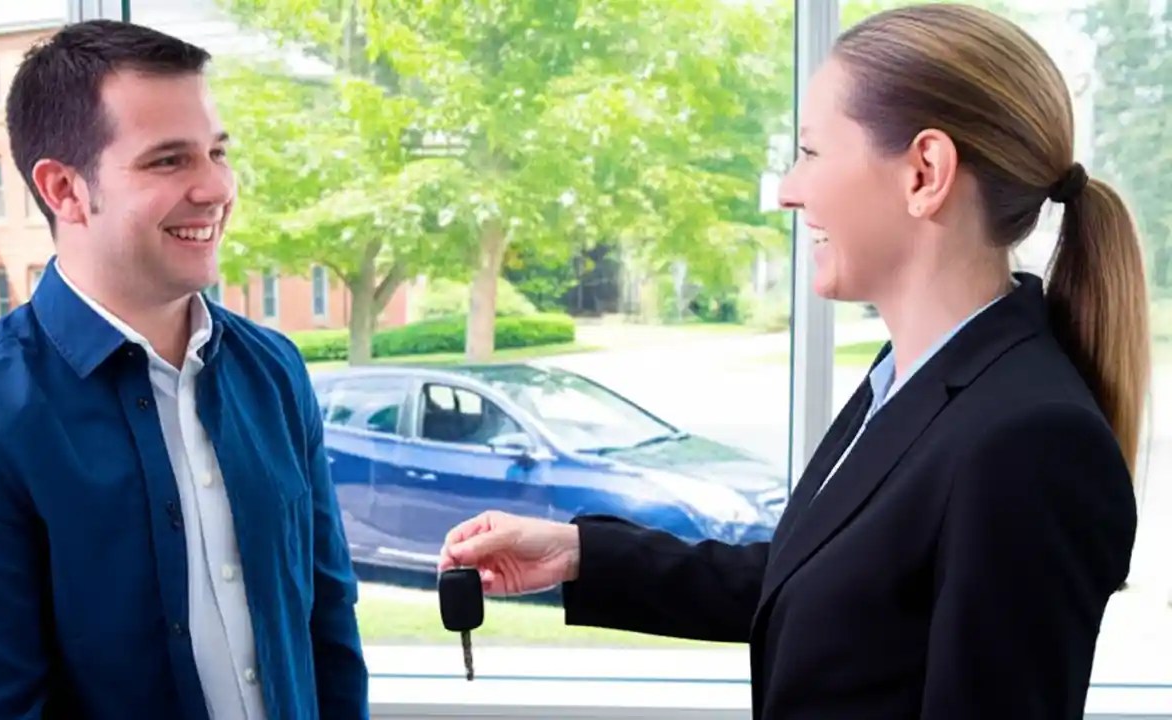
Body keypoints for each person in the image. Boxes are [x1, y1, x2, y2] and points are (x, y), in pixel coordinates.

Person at [439, 4, 1147, 719]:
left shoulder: (1028, 444)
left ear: (925, 172)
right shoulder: (910, 382)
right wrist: (580, 554)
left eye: (810, 152)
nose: (787, 189)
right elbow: (826, 583)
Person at [0, 20, 368, 720]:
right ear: (65, 190)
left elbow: (328, 625)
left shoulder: (274, 371)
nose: (215, 188)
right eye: (169, 161)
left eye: (217, 152)